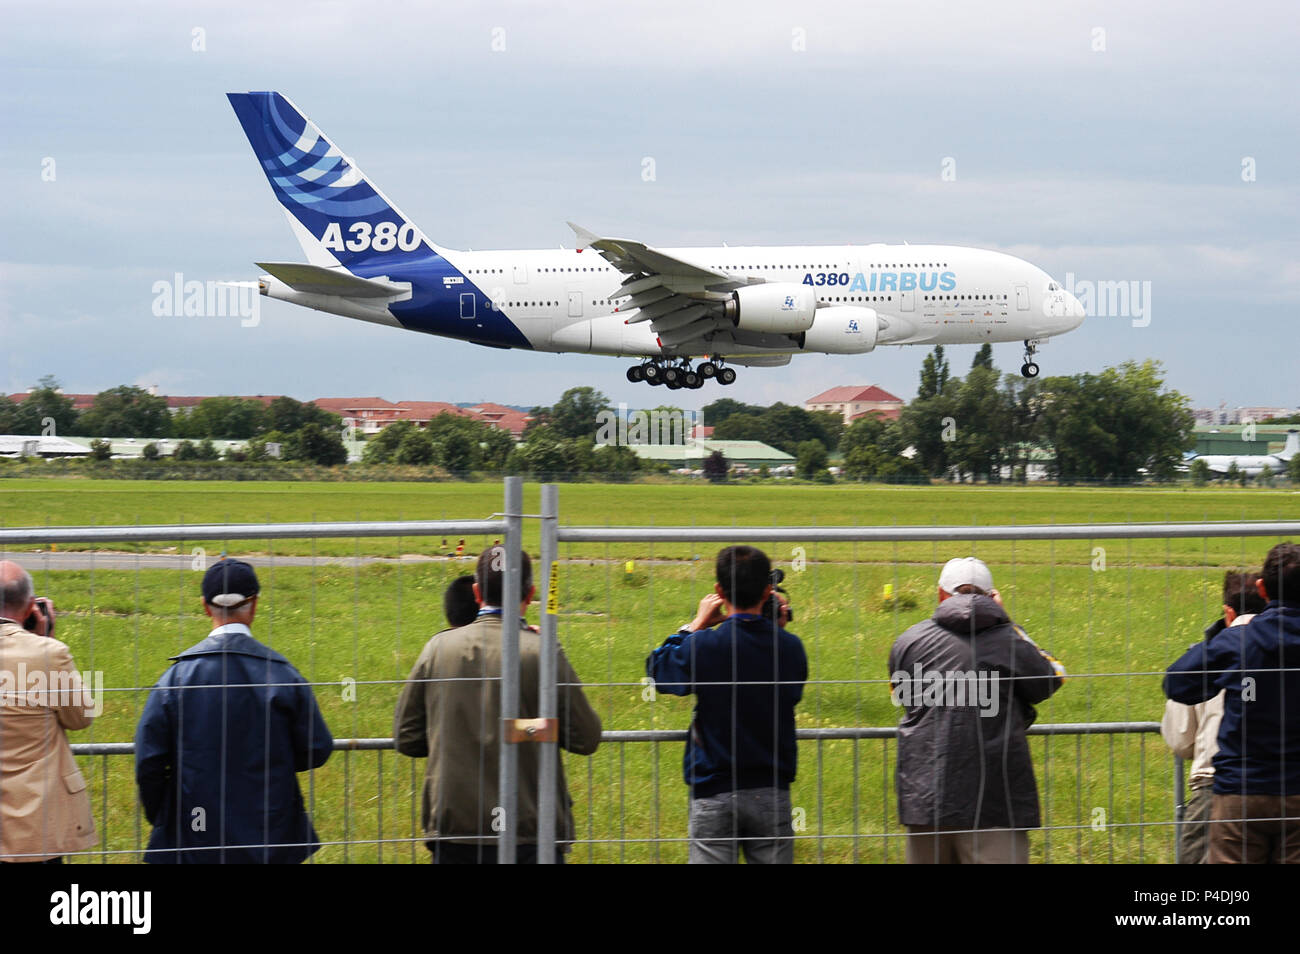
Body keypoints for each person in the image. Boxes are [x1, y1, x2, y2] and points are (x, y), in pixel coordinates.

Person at [394, 548, 601, 863]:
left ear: (477, 593)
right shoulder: (542, 653)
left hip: (456, 825)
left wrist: (455, 739)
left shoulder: (438, 648)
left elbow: (406, 737)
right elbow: (586, 738)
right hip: (529, 826)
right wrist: (528, 728)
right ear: (530, 594)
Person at [134, 558, 333, 863]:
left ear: (204, 606)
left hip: (195, 831)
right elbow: (316, 748)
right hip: (269, 831)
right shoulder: (283, 675)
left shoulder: (175, 680)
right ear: (253, 605)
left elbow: (149, 761)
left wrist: (164, 816)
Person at [888, 557, 1064, 864]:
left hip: (926, 795)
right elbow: (1051, 678)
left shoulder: (908, 641)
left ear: (941, 594)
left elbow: (903, 697)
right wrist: (1008, 623)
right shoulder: (1008, 638)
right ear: (991, 596)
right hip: (995, 799)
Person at [646, 545, 807, 864]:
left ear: (719, 590)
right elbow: (788, 690)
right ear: (767, 591)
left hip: (714, 788)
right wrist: (774, 629)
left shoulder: (704, 645)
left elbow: (659, 672)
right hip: (770, 786)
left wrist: (695, 625)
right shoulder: (790, 648)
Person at [1165, 541, 1300, 863]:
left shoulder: (1239, 640)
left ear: (1262, 588)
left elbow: (1178, 682)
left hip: (1241, 788)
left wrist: (1219, 652)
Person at [1161, 571, 1264, 864]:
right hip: (1284, 786)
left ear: (1228, 612)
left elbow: (1181, 740)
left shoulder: (1202, 660)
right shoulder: (1286, 652)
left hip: (1216, 787)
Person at [0, 561, 97, 863]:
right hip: (35, 828)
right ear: (32, 607)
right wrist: (46, 643)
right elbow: (81, 717)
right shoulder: (49, 655)